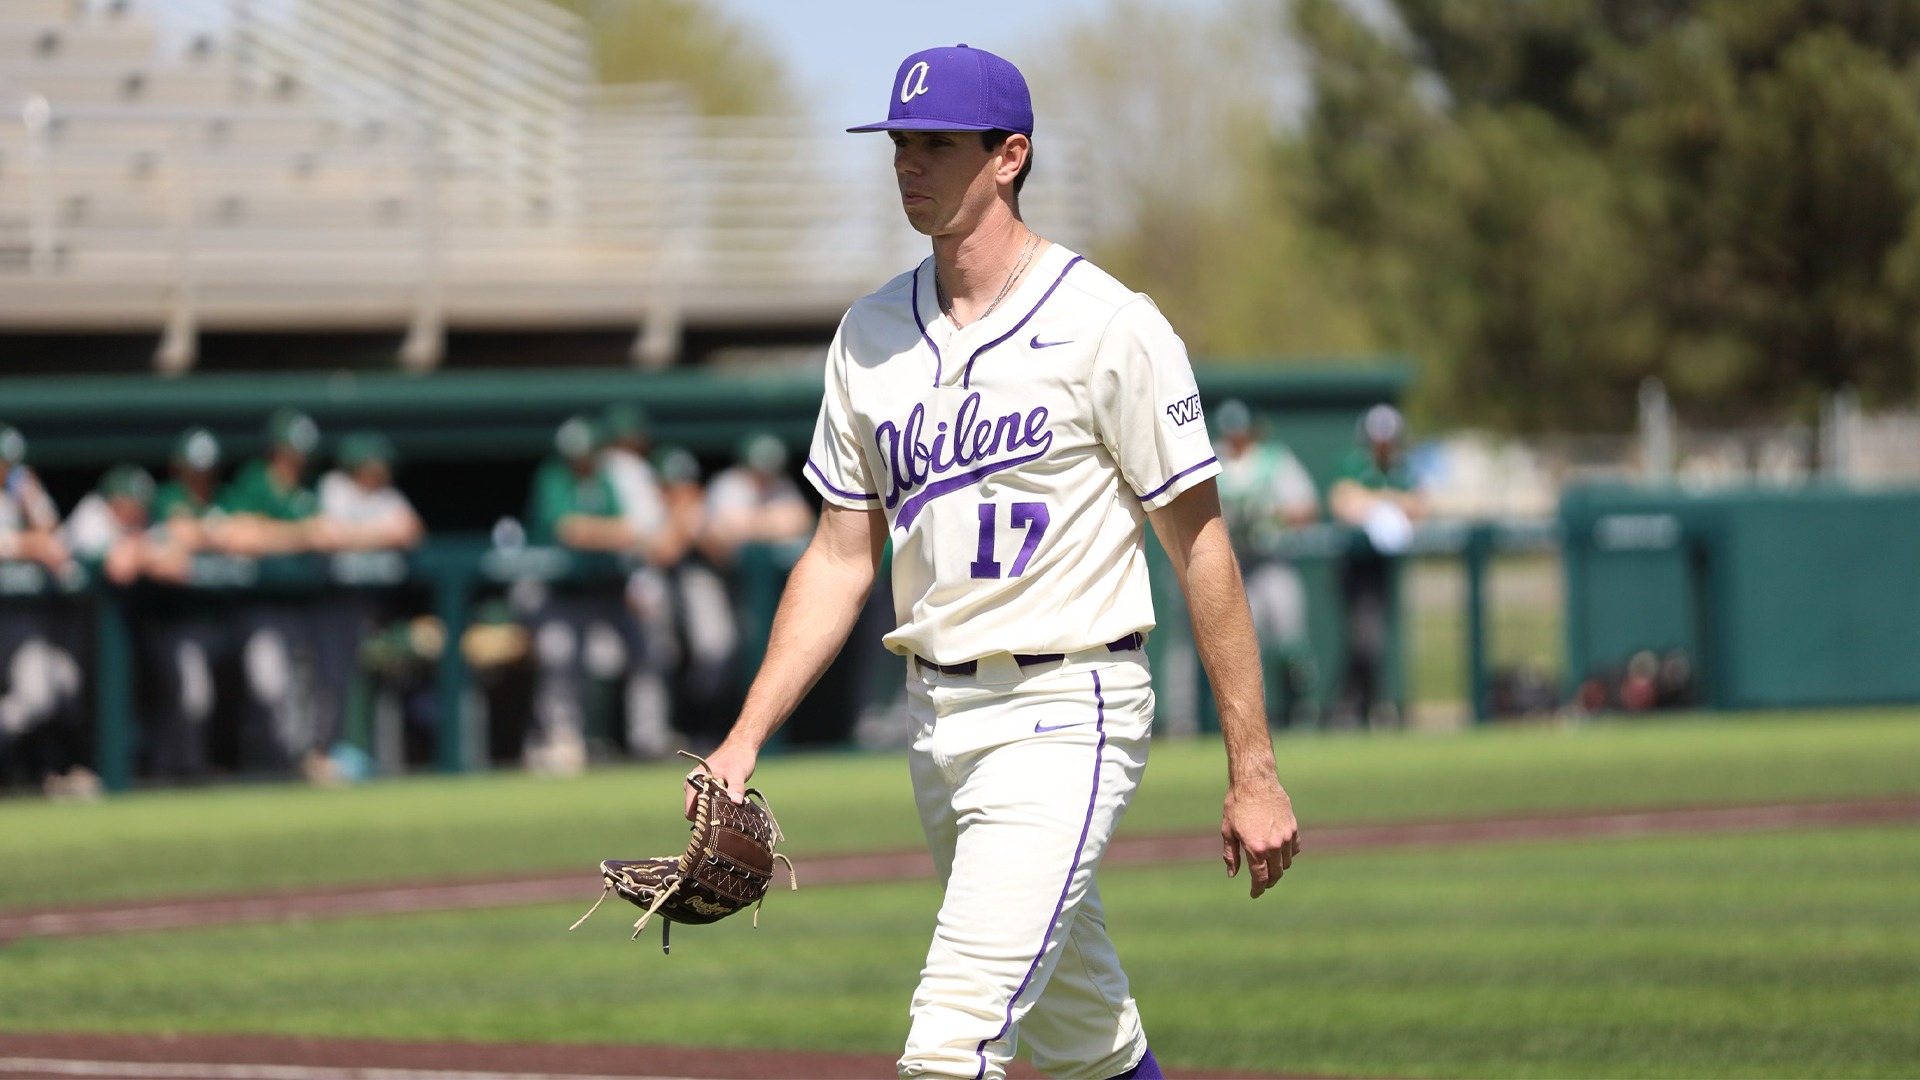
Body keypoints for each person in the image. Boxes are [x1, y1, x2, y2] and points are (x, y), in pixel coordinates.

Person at [688, 46, 1299, 1080]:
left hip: (1071, 705)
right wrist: (744, 739)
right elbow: (839, 557)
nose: (908, 162)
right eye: (899, 143)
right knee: (1083, 1037)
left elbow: (1200, 545)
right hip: (939, 724)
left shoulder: (1109, 324)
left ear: (1009, 155)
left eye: (937, 143)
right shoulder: (869, 335)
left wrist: (1256, 770)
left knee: (950, 1038)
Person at [523, 415, 657, 772]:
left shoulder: (605, 479)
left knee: (646, 654)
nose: (580, 461)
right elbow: (567, 529)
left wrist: (602, 532)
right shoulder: (552, 476)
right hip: (558, 590)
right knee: (560, 655)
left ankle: (648, 739)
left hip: (608, 585)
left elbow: (631, 530)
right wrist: (613, 533)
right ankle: (560, 738)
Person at [313, 431, 426, 780]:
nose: (384, 470)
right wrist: (378, 535)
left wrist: (358, 536)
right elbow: (327, 536)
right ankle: (325, 756)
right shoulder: (333, 488)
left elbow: (412, 531)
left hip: (369, 609)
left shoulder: (387, 497)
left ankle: (357, 755)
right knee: (331, 683)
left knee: (366, 676)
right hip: (330, 605)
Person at [1212, 399, 1322, 727]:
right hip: (1238, 564)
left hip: (1274, 560)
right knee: (1245, 647)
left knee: (1290, 640)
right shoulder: (1214, 457)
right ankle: (1254, 719)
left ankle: (1302, 711)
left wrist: (1274, 515)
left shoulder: (1273, 458)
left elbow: (1308, 507)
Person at [0, 423, 89, 797]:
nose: (9, 471)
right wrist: (29, 544)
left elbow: (58, 545)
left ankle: (50, 771)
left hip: (22, 623)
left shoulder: (27, 499)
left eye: (14, 464)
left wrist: (34, 503)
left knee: (56, 686)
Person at [1327, 403, 1426, 729]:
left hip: (1386, 567)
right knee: (1365, 639)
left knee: (1377, 640)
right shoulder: (1355, 463)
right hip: (1356, 566)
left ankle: (1367, 705)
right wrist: (1383, 503)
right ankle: (1354, 705)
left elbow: (1419, 503)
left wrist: (1378, 502)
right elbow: (1342, 500)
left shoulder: (1402, 467)